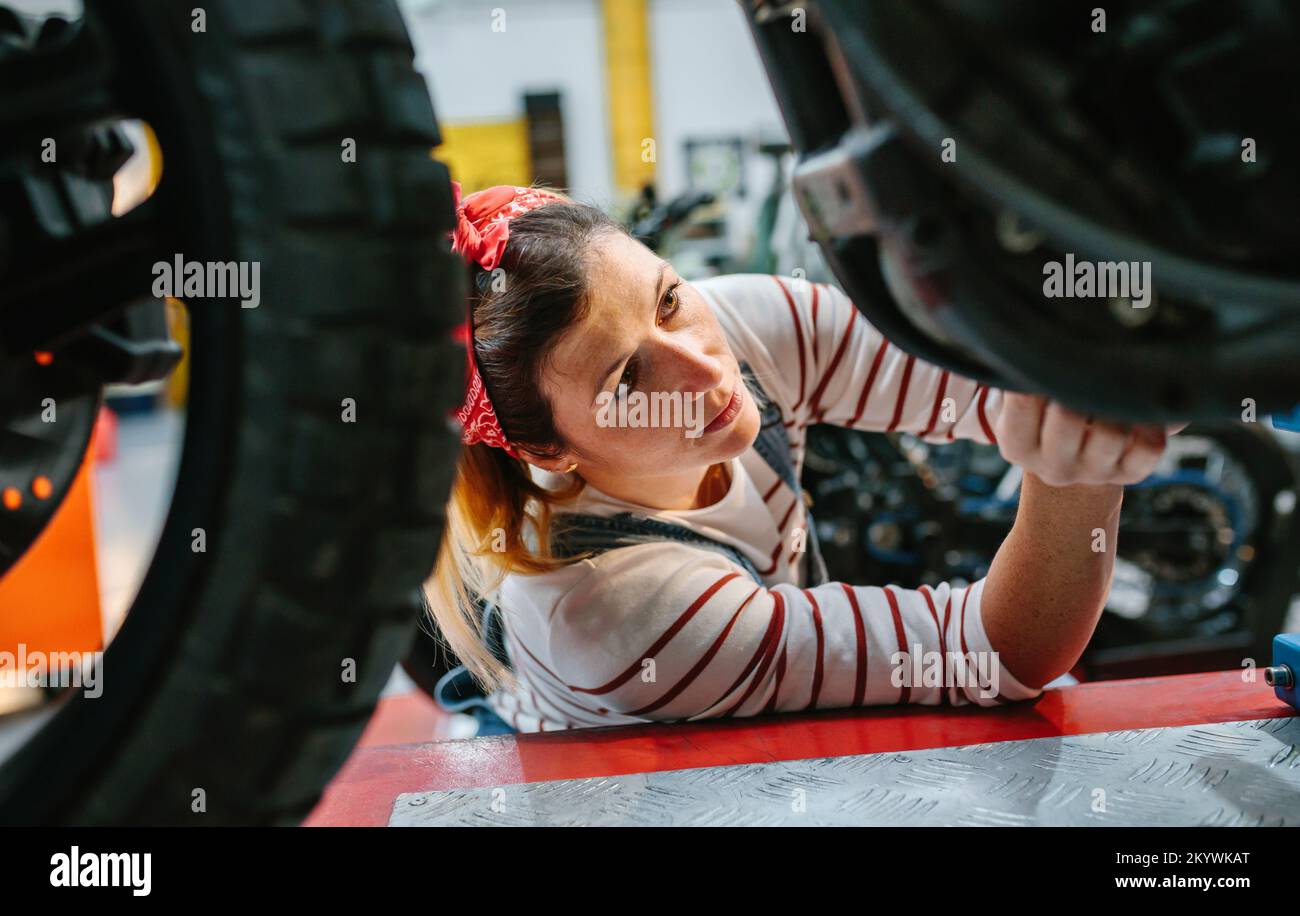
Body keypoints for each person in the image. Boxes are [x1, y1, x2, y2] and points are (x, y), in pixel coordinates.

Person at [426, 181, 1181, 733]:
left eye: (666, 299)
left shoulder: (741, 321)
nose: (706, 370)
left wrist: (1121, 363)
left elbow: (986, 385)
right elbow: (990, 653)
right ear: (544, 448)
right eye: (628, 379)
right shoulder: (608, 612)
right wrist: (1077, 476)